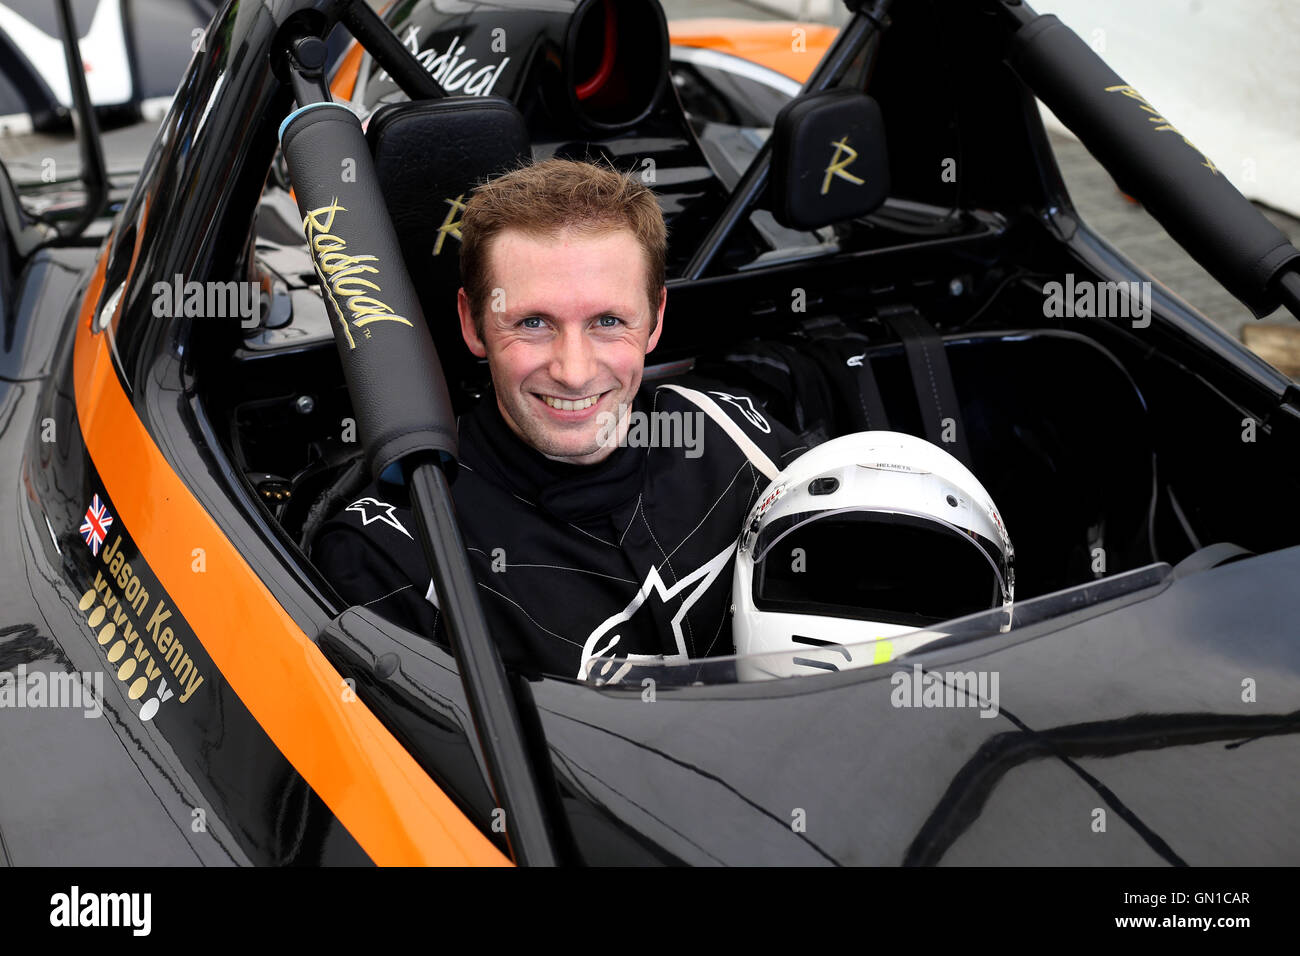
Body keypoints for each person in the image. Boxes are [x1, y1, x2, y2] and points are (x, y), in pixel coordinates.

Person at [313, 158, 807, 679]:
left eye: (608, 322)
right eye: (532, 323)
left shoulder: (738, 442)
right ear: (472, 322)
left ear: (656, 318)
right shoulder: (396, 556)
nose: (573, 372)